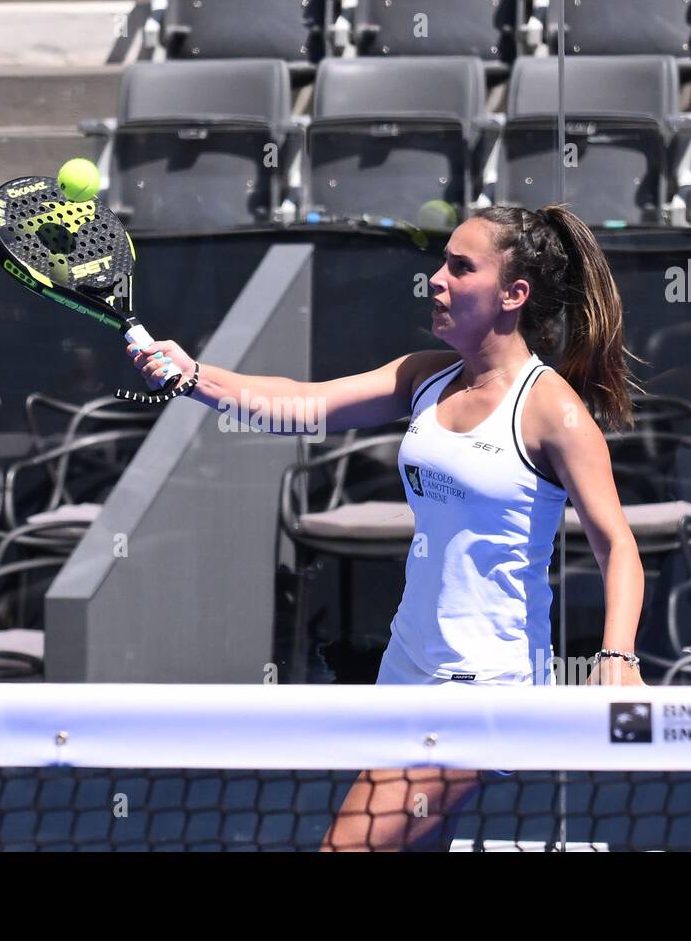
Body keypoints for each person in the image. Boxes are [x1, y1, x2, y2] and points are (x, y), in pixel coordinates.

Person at [128, 204, 646, 850]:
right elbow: (301, 404)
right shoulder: (425, 376)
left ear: (515, 294)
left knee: (345, 848)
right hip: (409, 664)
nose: (436, 279)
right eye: (441, 262)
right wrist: (194, 375)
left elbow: (616, 543)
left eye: (461, 267)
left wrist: (617, 657)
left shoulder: (552, 412)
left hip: (482, 683)